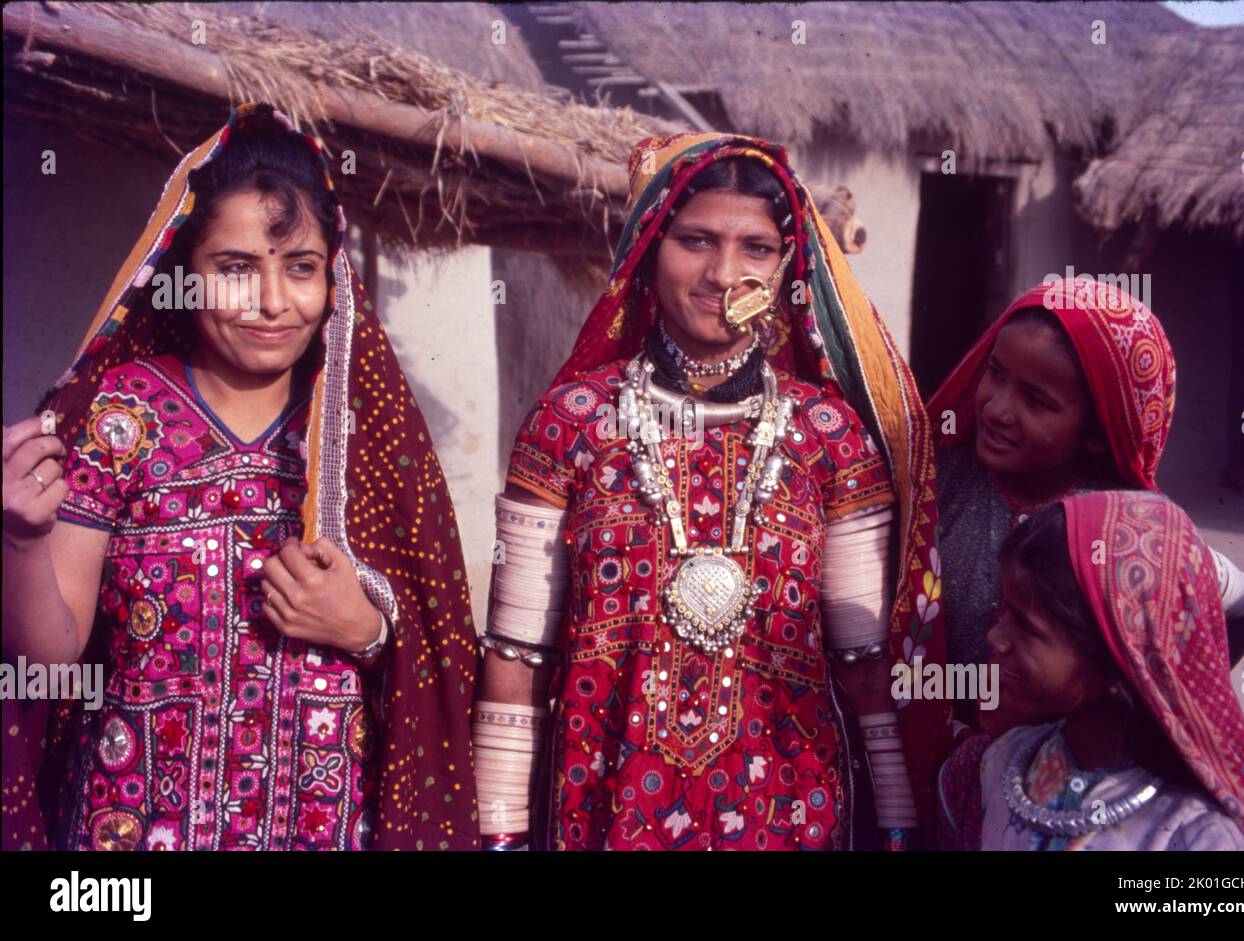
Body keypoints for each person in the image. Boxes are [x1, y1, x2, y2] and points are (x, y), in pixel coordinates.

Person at [1, 104, 478, 851]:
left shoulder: (362, 430)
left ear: (332, 275)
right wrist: (24, 541)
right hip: (135, 832)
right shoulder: (123, 416)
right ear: (186, 274)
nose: (271, 301)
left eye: (300, 267)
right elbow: (49, 661)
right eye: (235, 268)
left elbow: (444, 647)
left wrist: (370, 631)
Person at [472, 132, 949, 851]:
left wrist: (897, 826)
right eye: (695, 240)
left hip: (791, 812)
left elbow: (866, 666)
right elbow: (515, 656)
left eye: (755, 248)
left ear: (788, 263)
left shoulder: (831, 436)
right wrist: (498, 835)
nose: (723, 274)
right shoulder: (568, 423)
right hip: (603, 805)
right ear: (646, 248)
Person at [927, 279, 1244, 729]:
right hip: (929, 755)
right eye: (996, 373)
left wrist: (1147, 717)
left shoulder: (1122, 524)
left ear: (1097, 432)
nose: (996, 409)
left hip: (1056, 777)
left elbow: (1243, 608)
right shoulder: (936, 481)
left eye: (1036, 400)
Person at [936, 492, 1244, 851]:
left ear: (1123, 664)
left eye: (1025, 624)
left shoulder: (1197, 835)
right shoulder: (1001, 761)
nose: (995, 636)